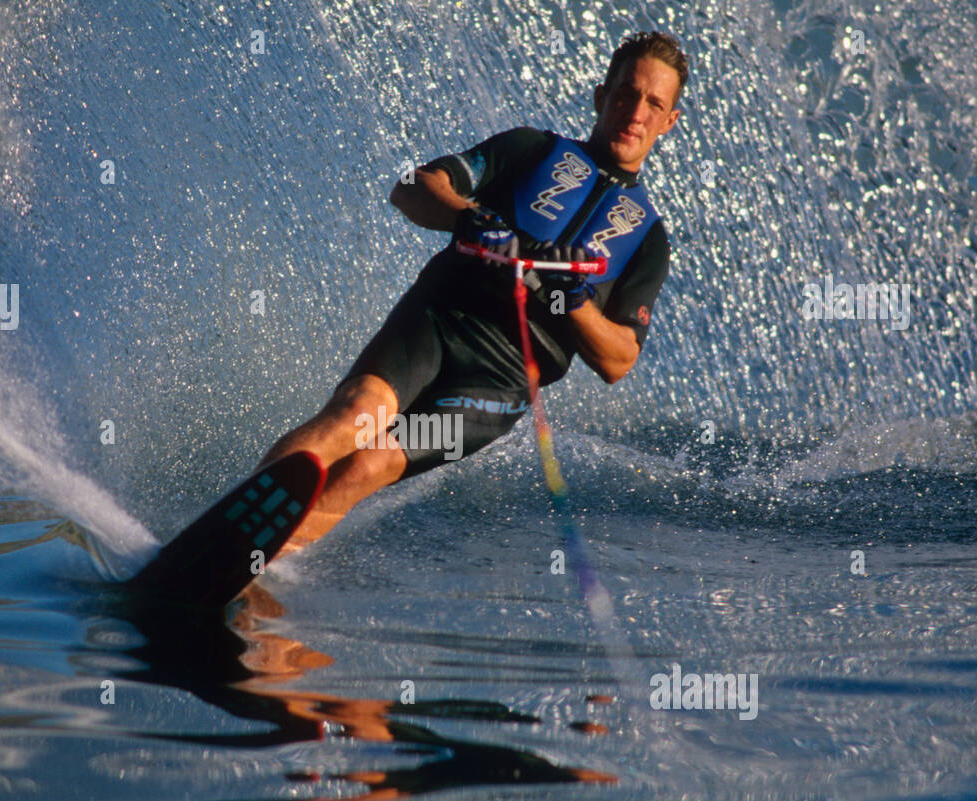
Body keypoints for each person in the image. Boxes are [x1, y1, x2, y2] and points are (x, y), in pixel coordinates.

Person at [258, 31, 687, 554]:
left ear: (669, 121)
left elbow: (619, 359)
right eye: (625, 94)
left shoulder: (648, 240)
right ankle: (239, 531)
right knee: (357, 414)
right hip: (441, 319)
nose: (635, 112)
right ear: (601, 96)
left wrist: (574, 300)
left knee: (372, 463)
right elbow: (414, 188)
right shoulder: (531, 149)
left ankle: (262, 564)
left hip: (497, 386)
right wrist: (472, 218)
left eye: (653, 103)